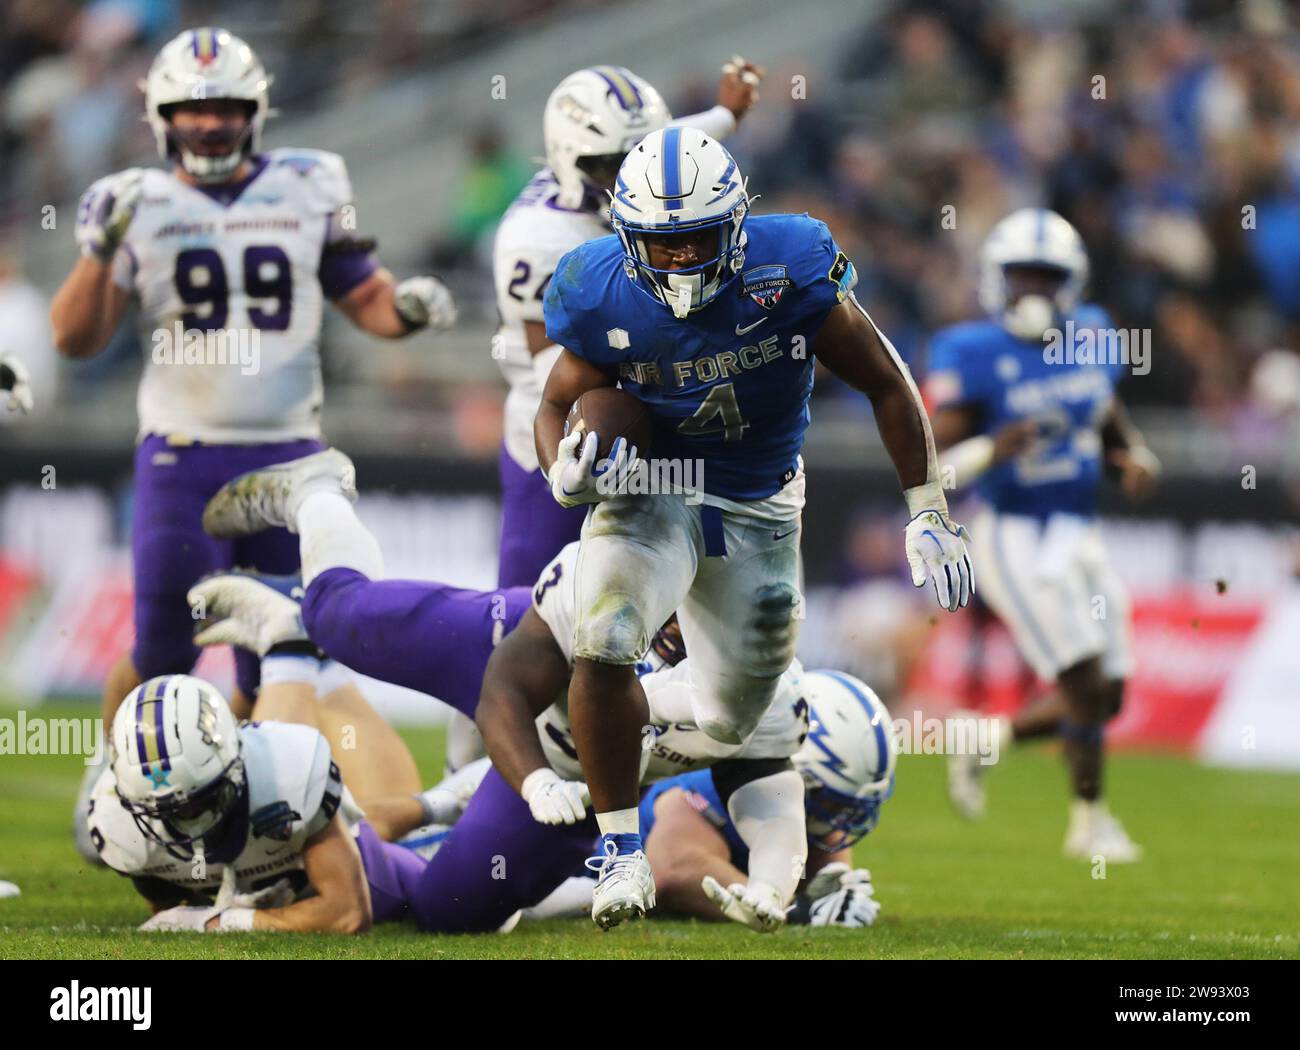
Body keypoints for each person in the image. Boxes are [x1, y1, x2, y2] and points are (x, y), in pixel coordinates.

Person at [531, 127, 973, 926]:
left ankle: (640, 710)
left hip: (758, 505)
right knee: (605, 634)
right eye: (660, 247)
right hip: (652, 492)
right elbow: (560, 402)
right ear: (628, 238)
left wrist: (927, 510)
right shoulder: (595, 288)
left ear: (735, 227)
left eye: (696, 241)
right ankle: (621, 851)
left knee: (734, 722)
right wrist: (560, 471)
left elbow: (884, 379)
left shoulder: (791, 266)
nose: (679, 263)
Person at [52, 27, 456, 860]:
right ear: (162, 116)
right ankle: (115, 773)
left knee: (286, 651)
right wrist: (96, 253)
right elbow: (74, 338)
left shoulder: (313, 183)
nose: (209, 125)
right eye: (192, 110)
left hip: (288, 454)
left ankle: (254, 802)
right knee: (165, 641)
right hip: (183, 447)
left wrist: (405, 311)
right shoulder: (135, 199)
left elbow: (366, 301)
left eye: (226, 108)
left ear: (256, 112)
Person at [926, 208, 1159, 861]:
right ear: (995, 278)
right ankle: (1089, 825)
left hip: (1077, 528)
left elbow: (1104, 405)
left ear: (1071, 282)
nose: (1031, 289)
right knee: (1083, 678)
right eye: (1019, 276)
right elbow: (930, 464)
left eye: (1044, 277)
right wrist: (987, 452)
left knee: (1108, 690)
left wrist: (1131, 452)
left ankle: (987, 740)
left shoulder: (1093, 333)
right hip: (1013, 532)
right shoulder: (970, 350)